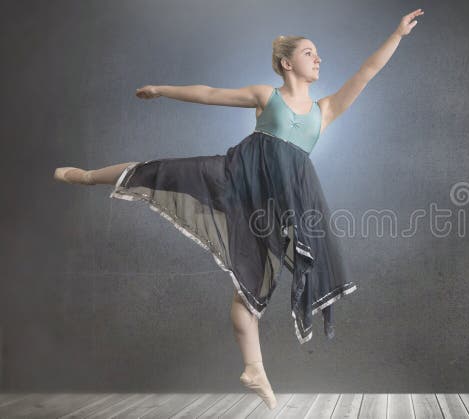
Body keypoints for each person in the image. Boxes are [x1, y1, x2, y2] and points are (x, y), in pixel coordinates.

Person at [53, 9, 424, 409]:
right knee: (161, 171)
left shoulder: (325, 110)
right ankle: (88, 176)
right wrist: (162, 88)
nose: (319, 59)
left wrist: (397, 35)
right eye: (309, 52)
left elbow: (367, 72)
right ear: (287, 63)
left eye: (318, 54)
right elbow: (210, 94)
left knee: (249, 292)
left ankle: (254, 369)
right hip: (234, 179)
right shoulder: (268, 96)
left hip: (271, 212)